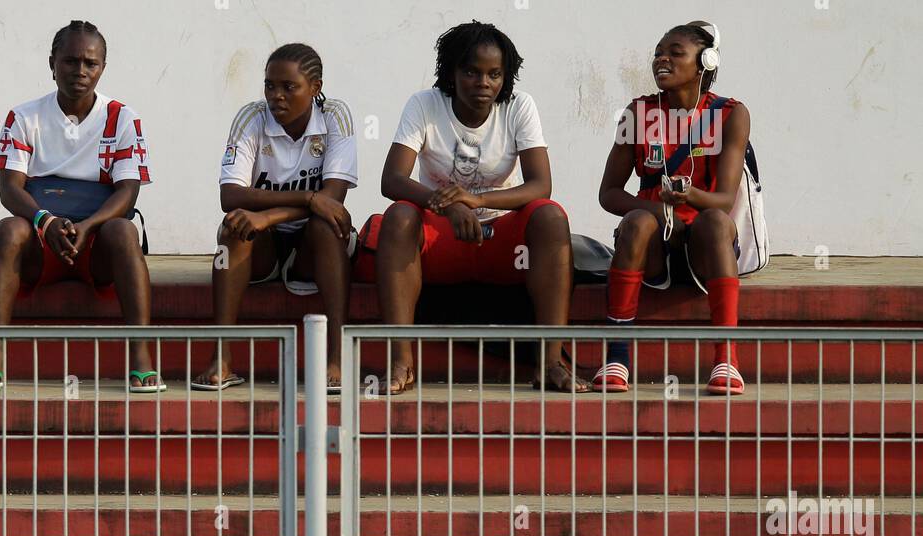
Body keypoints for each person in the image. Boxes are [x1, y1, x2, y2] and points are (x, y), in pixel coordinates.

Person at [373, 20, 588, 395]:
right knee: (399, 215)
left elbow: (541, 184)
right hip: (443, 240)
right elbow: (392, 179)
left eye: (494, 74)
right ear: (451, 72)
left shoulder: (520, 106)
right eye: (471, 71)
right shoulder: (424, 104)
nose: (483, 83)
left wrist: (478, 199)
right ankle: (401, 362)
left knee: (551, 215)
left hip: (502, 242)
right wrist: (449, 208)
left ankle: (550, 363)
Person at [0, 20, 160, 393]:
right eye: (71, 61)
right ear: (52, 63)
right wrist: (44, 220)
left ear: (103, 67)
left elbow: (128, 192)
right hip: (43, 241)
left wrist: (87, 226)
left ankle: (140, 357)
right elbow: (9, 189)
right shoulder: (25, 116)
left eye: (91, 63)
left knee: (124, 229)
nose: (81, 71)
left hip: (95, 242)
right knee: (8, 229)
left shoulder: (122, 117)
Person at [595, 20, 753, 394]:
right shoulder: (636, 114)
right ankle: (616, 357)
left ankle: (726, 360)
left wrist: (688, 199)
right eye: (657, 54)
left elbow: (724, 200)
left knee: (715, 221)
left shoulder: (731, 113)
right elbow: (609, 193)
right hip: (652, 241)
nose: (661, 59)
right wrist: (659, 212)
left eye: (675, 53)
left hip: (704, 243)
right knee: (634, 220)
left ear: (705, 63)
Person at [192, 44, 357, 393]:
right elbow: (231, 196)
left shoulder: (335, 116)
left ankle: (337, 358)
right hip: (264, 245)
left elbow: (334, 201)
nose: (276, 96)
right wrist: (309, 198)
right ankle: (221, 357)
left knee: (327, 224)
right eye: (270, 85)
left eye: (289, 87)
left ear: (315, 88)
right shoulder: (252, 117)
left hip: (311, 246)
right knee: (233, 226)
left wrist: (270, 215)